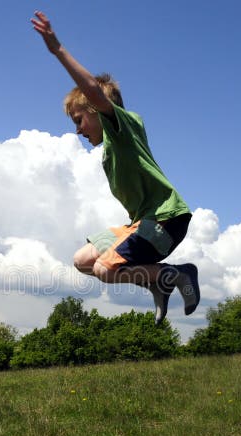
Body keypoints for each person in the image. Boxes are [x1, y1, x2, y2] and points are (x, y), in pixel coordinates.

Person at [31, 10, 200, 324]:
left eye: (79, 120)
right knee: (83, 260)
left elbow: (94, 92)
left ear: (97, 111)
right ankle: (157, 281)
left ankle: (179, 274)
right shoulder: (111, 148)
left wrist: (58, 50)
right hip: (142, 223)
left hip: (167, 219)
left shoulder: (122, 128)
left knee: (105, 269)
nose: (77, 130)